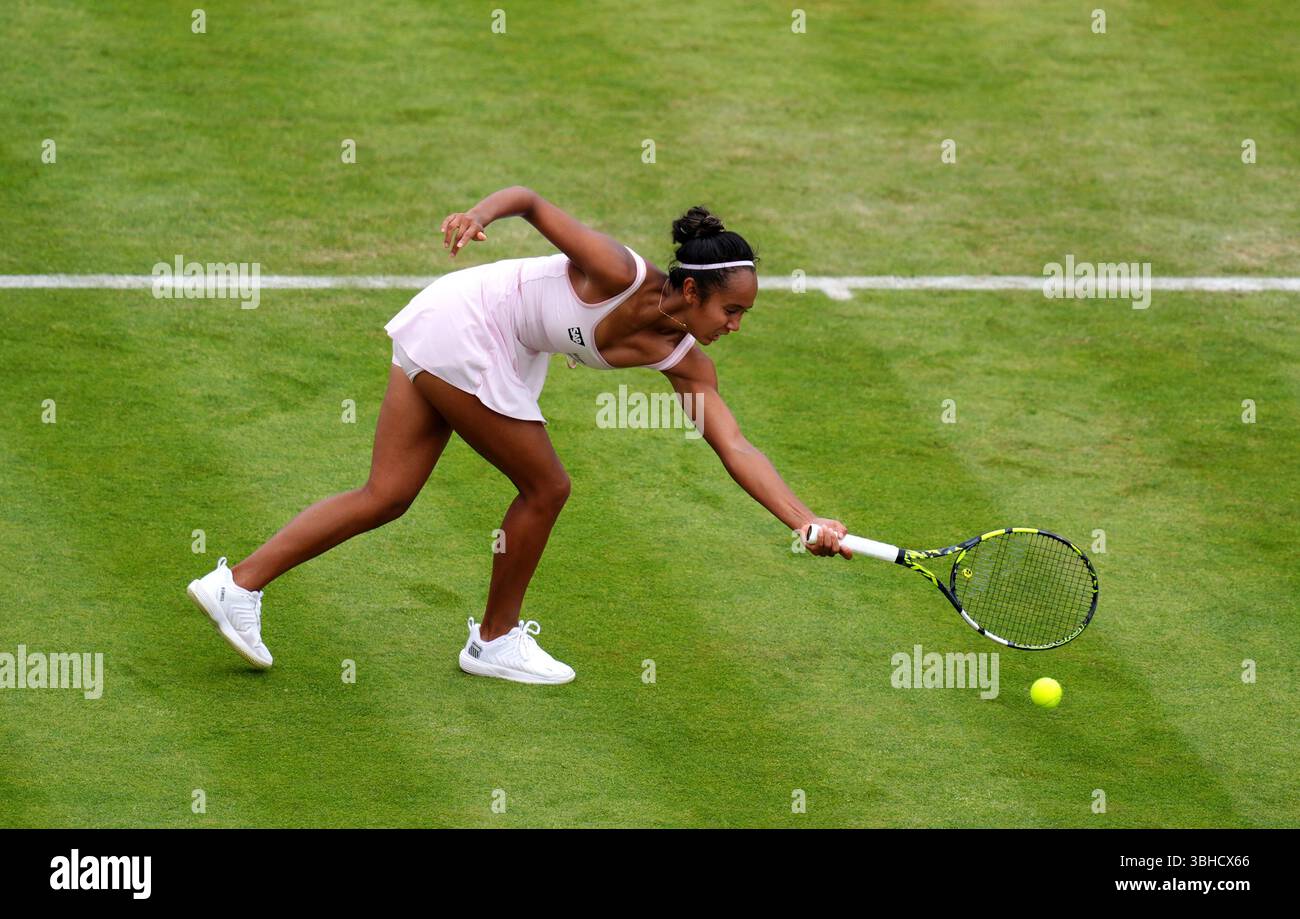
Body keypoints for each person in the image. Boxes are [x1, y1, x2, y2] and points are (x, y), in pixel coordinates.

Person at [187, 186, 850, 684]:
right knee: (546, 485)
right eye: (731, 309)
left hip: (461, 332)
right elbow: (529, 200)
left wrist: (802, 519)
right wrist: (479, 216)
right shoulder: (618, 272)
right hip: (466, 326)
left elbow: (733, 444)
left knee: (387, 493)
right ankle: (494, 640)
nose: (737, 324)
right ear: (687, 288)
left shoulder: (685, 361)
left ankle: (238, 584)